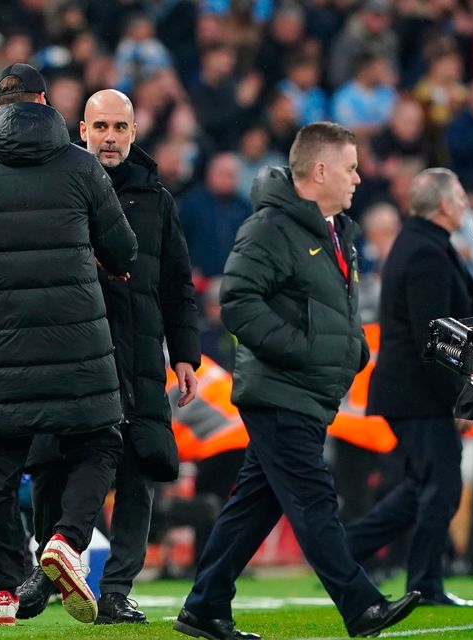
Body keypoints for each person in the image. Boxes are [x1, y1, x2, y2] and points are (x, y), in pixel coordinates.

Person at [175, 122, 421, 640]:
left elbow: (337, 310)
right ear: (320, 169)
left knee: (253, 506)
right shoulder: (269, 227)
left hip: (308, 393)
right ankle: (361, 605)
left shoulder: (335, 232)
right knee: (314, 498)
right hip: (279, 390)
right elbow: (237, 303)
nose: (358, 178)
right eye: (351, 167)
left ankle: (204, 606)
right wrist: (305, 352)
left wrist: (352, 353)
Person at [0, 63, 137, 627]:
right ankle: (66, 540)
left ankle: (1, 594)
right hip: (78, 344)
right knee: (99, 442)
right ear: (45, 102)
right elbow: (123, 251)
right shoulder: (83, 167)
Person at [18, 89, 199, 625]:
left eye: (120, 127)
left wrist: (185, 354)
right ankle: (46, 571)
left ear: (134, 133)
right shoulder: (57, 187)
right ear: (82, 131)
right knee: (51, 465)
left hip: (139, 351)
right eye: (101, 127)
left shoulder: (157, 199)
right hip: (67, 353)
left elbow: (177, 284)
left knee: (137, 471)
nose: (111, 137)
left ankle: (117, 588)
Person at [345, 168, 473, 608]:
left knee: (422, 486)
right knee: (440, 487)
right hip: (417, 393)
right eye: (459, 196)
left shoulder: (424, 243)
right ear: (443, 204)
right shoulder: (426, 251)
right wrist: (460, 397)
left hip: (412, 391)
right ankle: (424, 584)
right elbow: (435, 336)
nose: (464, 204)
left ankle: (341, 550)